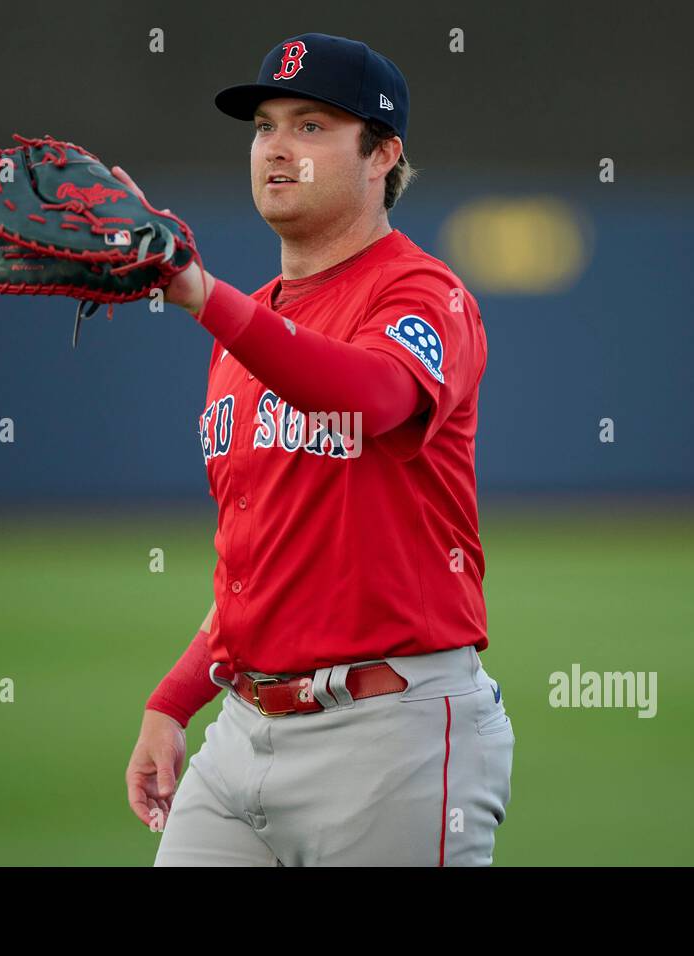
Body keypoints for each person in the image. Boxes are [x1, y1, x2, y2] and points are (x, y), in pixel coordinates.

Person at [119, 32, 512, 866]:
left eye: (312, 126)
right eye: (265, 126)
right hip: (241, 735)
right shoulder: (244, 333)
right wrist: (174, 699)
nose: (277, 149)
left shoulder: (424, 293)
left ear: (384, 154)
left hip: (391, 738)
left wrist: (200, 295)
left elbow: (371, 398)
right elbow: (267, 567)